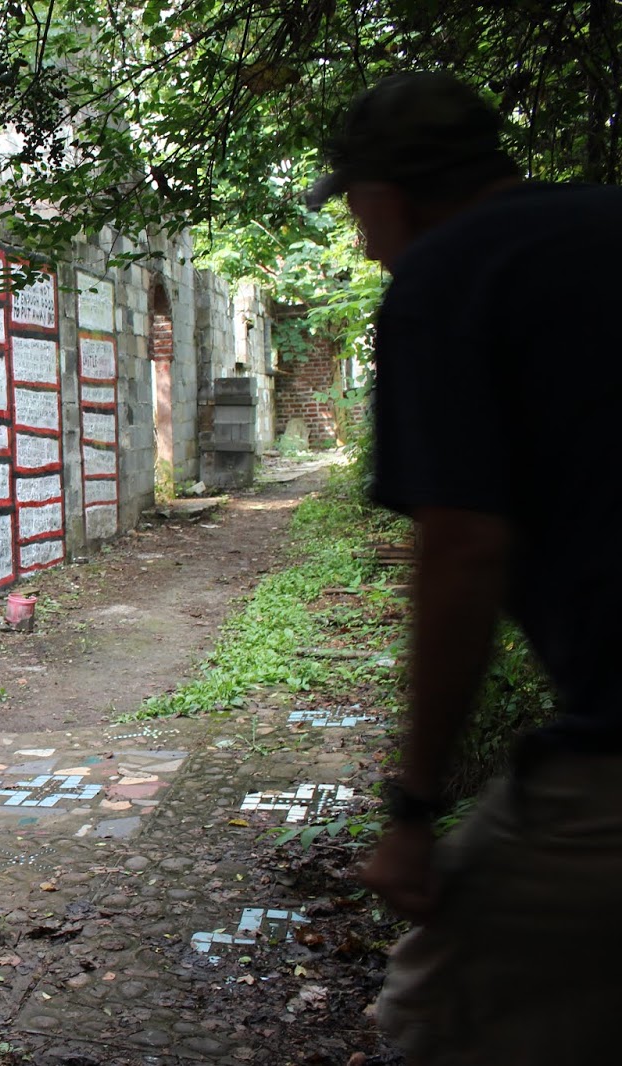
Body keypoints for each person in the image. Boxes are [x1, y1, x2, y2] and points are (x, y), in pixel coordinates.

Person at [308, 72, 622, 1062]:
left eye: (356, 208)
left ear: (389, 194)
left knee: (432, 1007)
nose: (361, 240)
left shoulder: (449, 278)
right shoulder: (596, 227)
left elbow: (460, 549)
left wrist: (411, 808)